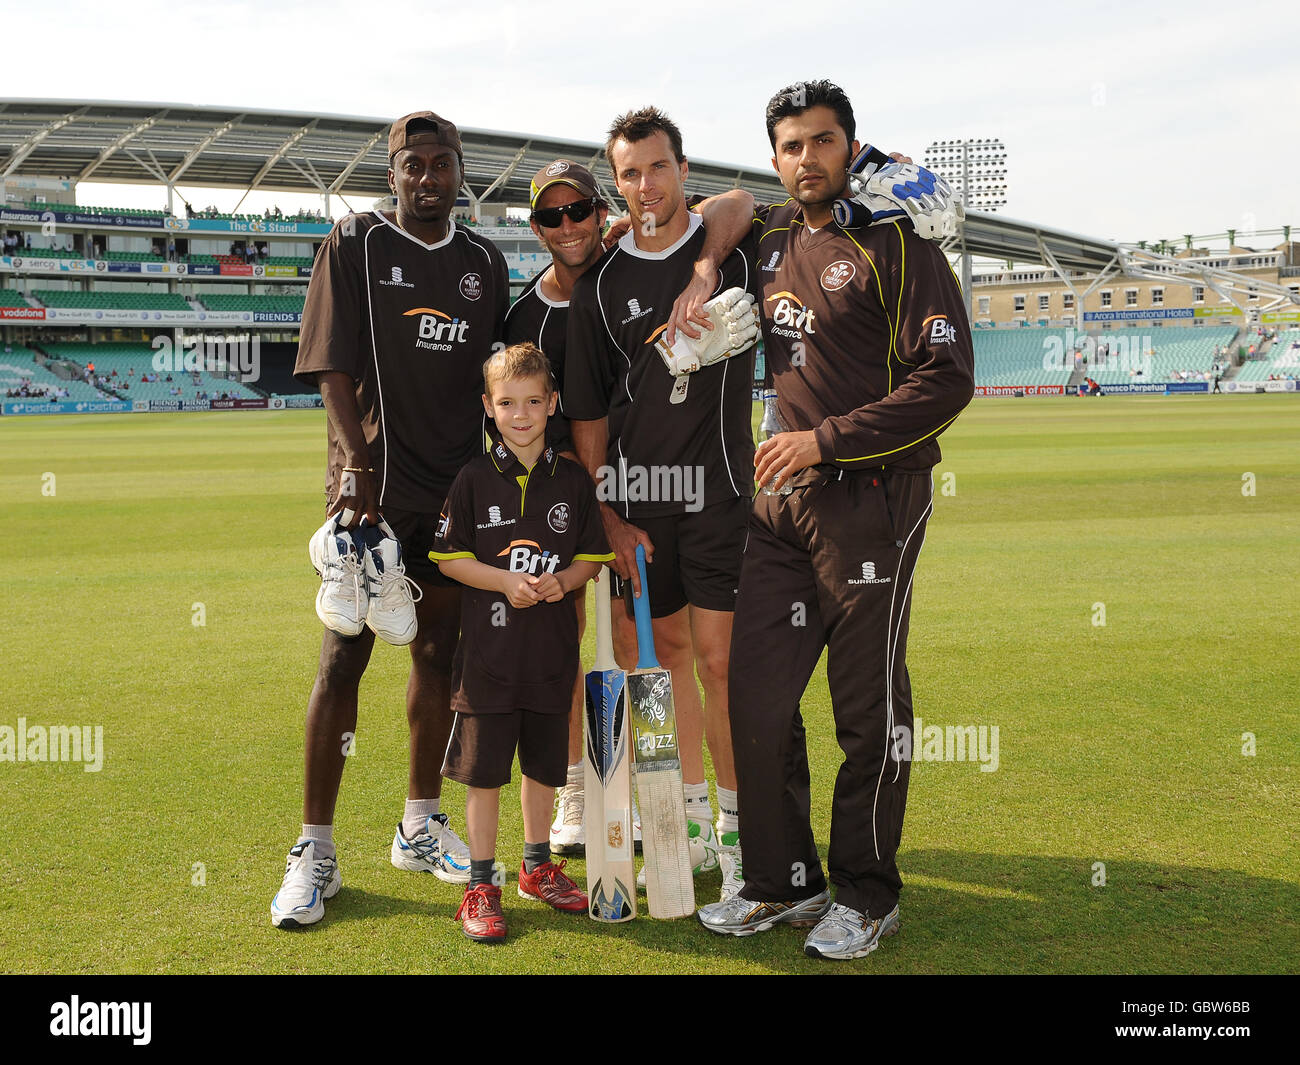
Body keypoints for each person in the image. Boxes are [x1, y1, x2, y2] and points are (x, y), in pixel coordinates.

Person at [695, 80, 974, 960]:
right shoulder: (769, 235)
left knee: (866, 709)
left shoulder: (899, 239)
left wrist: (827, 441)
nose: (806, 158)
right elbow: (720, 206)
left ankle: (866, 891)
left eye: (822, 142)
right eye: (790, 145)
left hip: (873, 500)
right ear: (775, 157)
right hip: (776, 505)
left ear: (852, 147)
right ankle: (782, 879)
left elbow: (947, 378)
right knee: (757, 698)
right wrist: (701, 265)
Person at [272, 110, 509, 930]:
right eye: (414, 165)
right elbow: (331, 365)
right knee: (343, 662)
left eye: (442, 164)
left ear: (458, 172)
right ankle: (314, 850)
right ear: (393, 174)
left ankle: (418, 822)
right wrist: (356, 466)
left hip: (452, 501)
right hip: (368, 498)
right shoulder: (356, 242)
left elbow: (500, 382)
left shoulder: (484, 261)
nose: (428, 178)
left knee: (440, 658)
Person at [564, 108, 761, 902]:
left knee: (723, 664)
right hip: (641, 507)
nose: (647, 185)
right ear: (618, 184)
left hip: (720, 494)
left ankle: (742, 833)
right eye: (631, 173)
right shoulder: (601, 284)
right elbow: (587, 418)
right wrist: (607, 517)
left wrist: (708, 269)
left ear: (683, 169)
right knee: (662, 660)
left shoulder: (734, 249)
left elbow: (746, 198)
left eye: (658, 167)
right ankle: (680, 828)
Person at [431, 342, 613, 942]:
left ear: (552, 403)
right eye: (507, 402)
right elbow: (450, 559)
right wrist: (505, 582)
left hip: (550, 655)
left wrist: (563, 580)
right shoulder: (473, 478)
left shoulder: (574, 480)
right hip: (487, 659)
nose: (522, 413)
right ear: (488, 407)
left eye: (534, 401)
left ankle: (538, 868)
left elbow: (591, 557)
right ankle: (481, 884)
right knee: (484, 774)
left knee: (544, 767)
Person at [501, 160, 612, 856]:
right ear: (536, 226)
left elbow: (729, 207)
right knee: (562, 648)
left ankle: (659, 787)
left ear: (602, 211)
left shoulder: (633, 269)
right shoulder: (523, 314)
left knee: (642, 646)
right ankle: (575, 790)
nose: (567, 227)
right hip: (559, 499)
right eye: (551, 216)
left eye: (580, 212)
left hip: (650, 484)